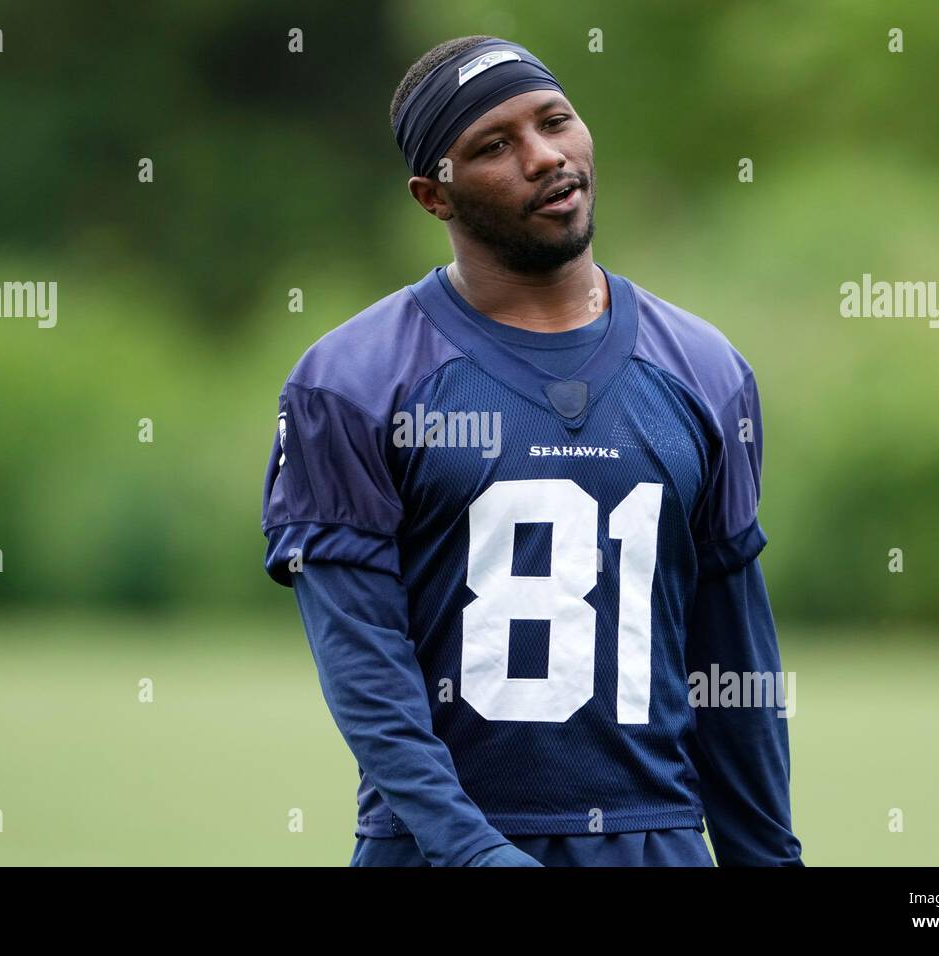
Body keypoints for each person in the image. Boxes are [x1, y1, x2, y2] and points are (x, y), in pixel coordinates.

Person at [261, 35, 804, 867]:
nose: (545, 156)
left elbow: (735, 667)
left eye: (555, 121)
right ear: (432, 195)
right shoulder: (352, 382)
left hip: (651, 844)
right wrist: (472, 852)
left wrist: (769, 859)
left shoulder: (706, 371)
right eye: (495, 145)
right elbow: (368, 677)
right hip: (436, 853)